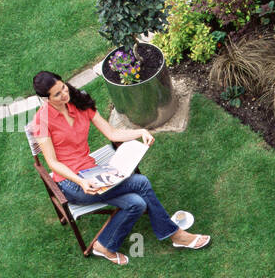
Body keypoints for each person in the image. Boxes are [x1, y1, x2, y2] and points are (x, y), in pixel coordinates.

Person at [28, 71, 209, 265]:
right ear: (46, 99)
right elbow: (53, 163)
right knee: (141, 182)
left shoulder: (79, 101)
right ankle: (176, 235)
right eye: (57, 94)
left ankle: (103, 245)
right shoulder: (42, 121)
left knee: (136, 204)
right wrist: (80, 181)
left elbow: (112, 133)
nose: (64, 94)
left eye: (63, 87)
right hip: (73, 184)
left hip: (94, 172)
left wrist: (141, 131)